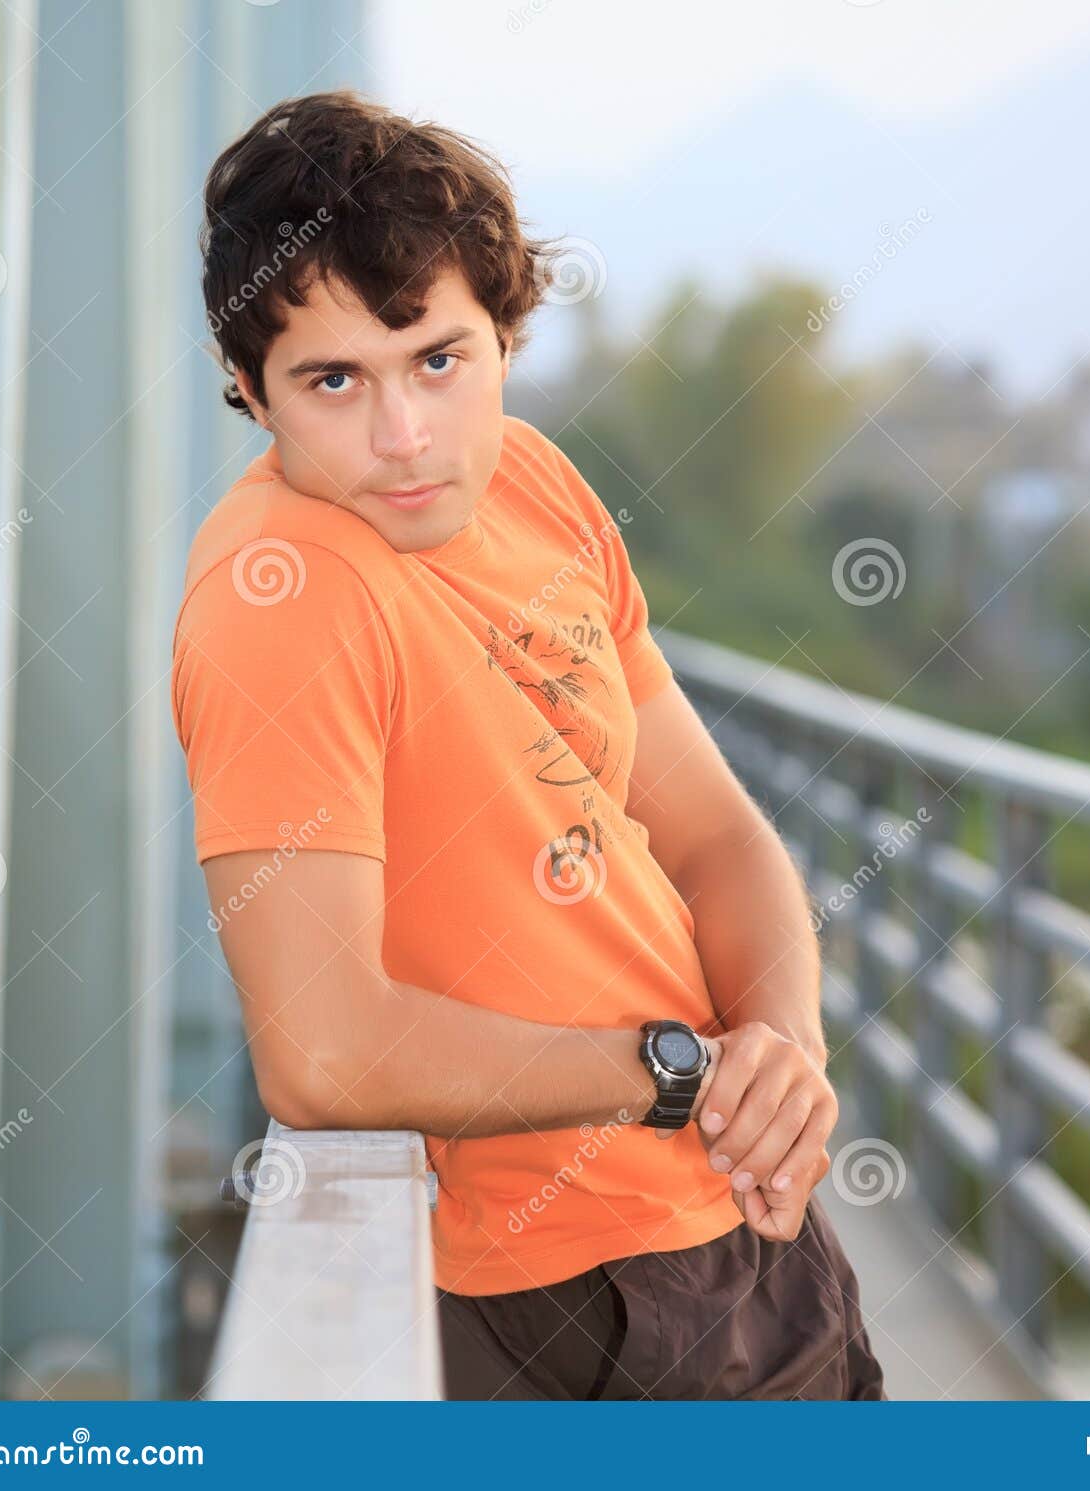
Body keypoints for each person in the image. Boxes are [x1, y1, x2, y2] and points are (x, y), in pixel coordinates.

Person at [172, 89, 886, 1401]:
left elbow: (717, 836)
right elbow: (323, 1053)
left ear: (506, 333)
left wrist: (781, 1052)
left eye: (439, 360)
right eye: (333, 381)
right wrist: (674, 1074)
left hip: (751, 1222)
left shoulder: (534, 481)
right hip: (560, 1294)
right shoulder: (280, 594)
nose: (405, 439)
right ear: (248, 388)